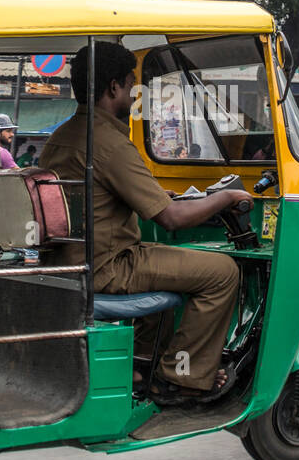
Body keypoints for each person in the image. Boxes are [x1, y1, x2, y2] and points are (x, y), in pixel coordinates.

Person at [39, 43, 248, 406]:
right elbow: (171, 218)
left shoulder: (63, 137)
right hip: (106, 267)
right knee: (223, 272)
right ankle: (181, 378)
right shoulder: (108, 143)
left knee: (167, 262)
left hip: (70, 261)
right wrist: (227, 197)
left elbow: (100, 194)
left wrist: (151, 192)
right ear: (113, 88)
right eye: (132, 84)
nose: (136, 93)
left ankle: (143, 364)